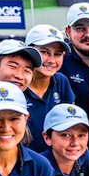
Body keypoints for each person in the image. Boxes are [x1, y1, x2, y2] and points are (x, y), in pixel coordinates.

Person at [23, 24, 76, 153]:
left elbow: (71, 124)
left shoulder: (61, 81)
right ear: (29, 52)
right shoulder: (18, 87)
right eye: (45, 52)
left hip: (56, 161)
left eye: (57, 54)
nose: (52, 60)